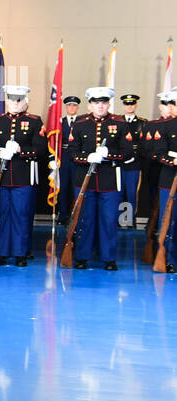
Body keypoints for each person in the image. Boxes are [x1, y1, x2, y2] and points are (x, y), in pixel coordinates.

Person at [66, 87, 134, 271]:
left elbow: (128, 152)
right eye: (96, 102)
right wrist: (86, 157)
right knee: (85, 220)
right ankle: (82, 256)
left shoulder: (119, 123)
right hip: (85, 180)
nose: (100, 106)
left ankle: (108, 258)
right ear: (90, 105)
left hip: (110, 180)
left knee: (109, 220)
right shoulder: (80, 124)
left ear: (109, 104)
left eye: (104, 102)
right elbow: (71, 151)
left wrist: (109, 154)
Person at [0, 85, 48, 266]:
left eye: (19, 100)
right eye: (12, 99)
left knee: (20, 215)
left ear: (25, 102)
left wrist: (20, 149)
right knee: (1, 215)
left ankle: (20, 254)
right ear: (7, 101)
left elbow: (41, 149)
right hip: (1, 178)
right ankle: (1, 252)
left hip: (23, 178)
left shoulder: (35, 122)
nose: (16, 103)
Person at [147, 91, 177, 272]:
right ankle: (168, 258)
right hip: (169, 179)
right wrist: (173, 160)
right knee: (169, 220)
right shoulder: (166, 126)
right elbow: (156, 152)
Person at [117, 92, 146, 229]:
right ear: (123, 106)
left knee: (131, 192)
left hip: (134, 162)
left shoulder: (142, 123)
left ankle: (129, 220)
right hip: (119, 162)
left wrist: (136, 156)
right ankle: (119, 219)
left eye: (132, 104)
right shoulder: (117, 121)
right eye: (127, 104)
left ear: (136, 105)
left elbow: (145, 144)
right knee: (118, 192)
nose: (129, 106)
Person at [55, 96, 80, 226]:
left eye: (74, 105)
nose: (71, 108)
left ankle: (76, 215)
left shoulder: (82, 122)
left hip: (77, 158)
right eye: (69, 105)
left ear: (77, 107)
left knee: (77, 187)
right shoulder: (59, 122)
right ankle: (63, 215)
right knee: (63, 187)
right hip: (63, 156)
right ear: (66, 107)